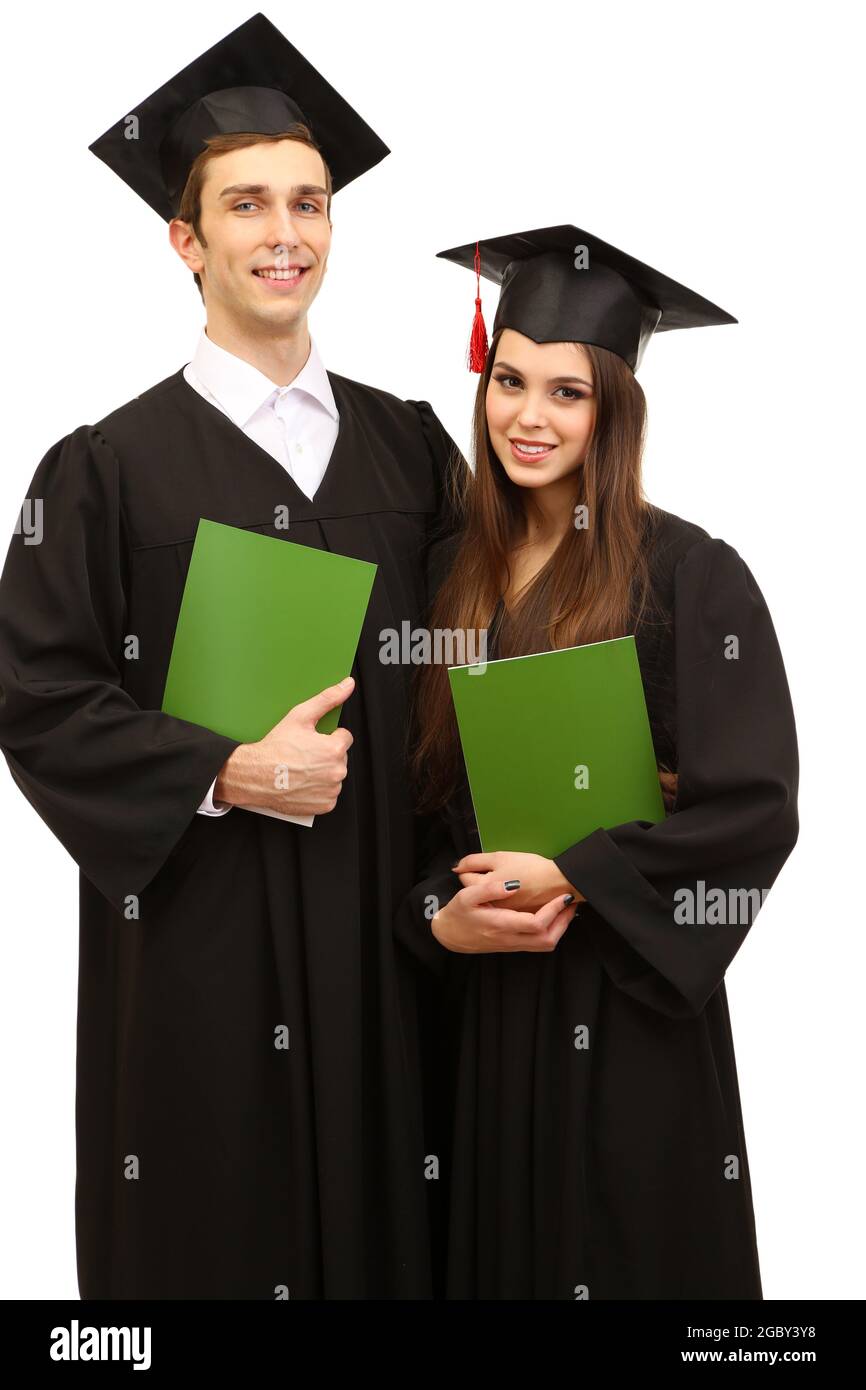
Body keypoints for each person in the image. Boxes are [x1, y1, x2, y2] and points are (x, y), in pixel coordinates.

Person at [0, 15, 465, 1299]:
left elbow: (470, 680)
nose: (285, 233)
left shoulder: (412, 450)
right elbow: (37, 698)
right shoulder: (102, 469)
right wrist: (221, 771)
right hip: (203, 946)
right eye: (246, 204)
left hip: (388, 943)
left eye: (308, 203)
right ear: (185, 239)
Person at [397, 224, 800, 1299]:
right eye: (508, 380)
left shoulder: (690, 574)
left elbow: (754, 809)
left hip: (626, 1011)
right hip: (485, 1013)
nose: (527, 417)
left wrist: (575, 871)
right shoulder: (444, 574)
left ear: (612, 407)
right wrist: (442, 906)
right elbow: (420, 813)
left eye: (566, 393)